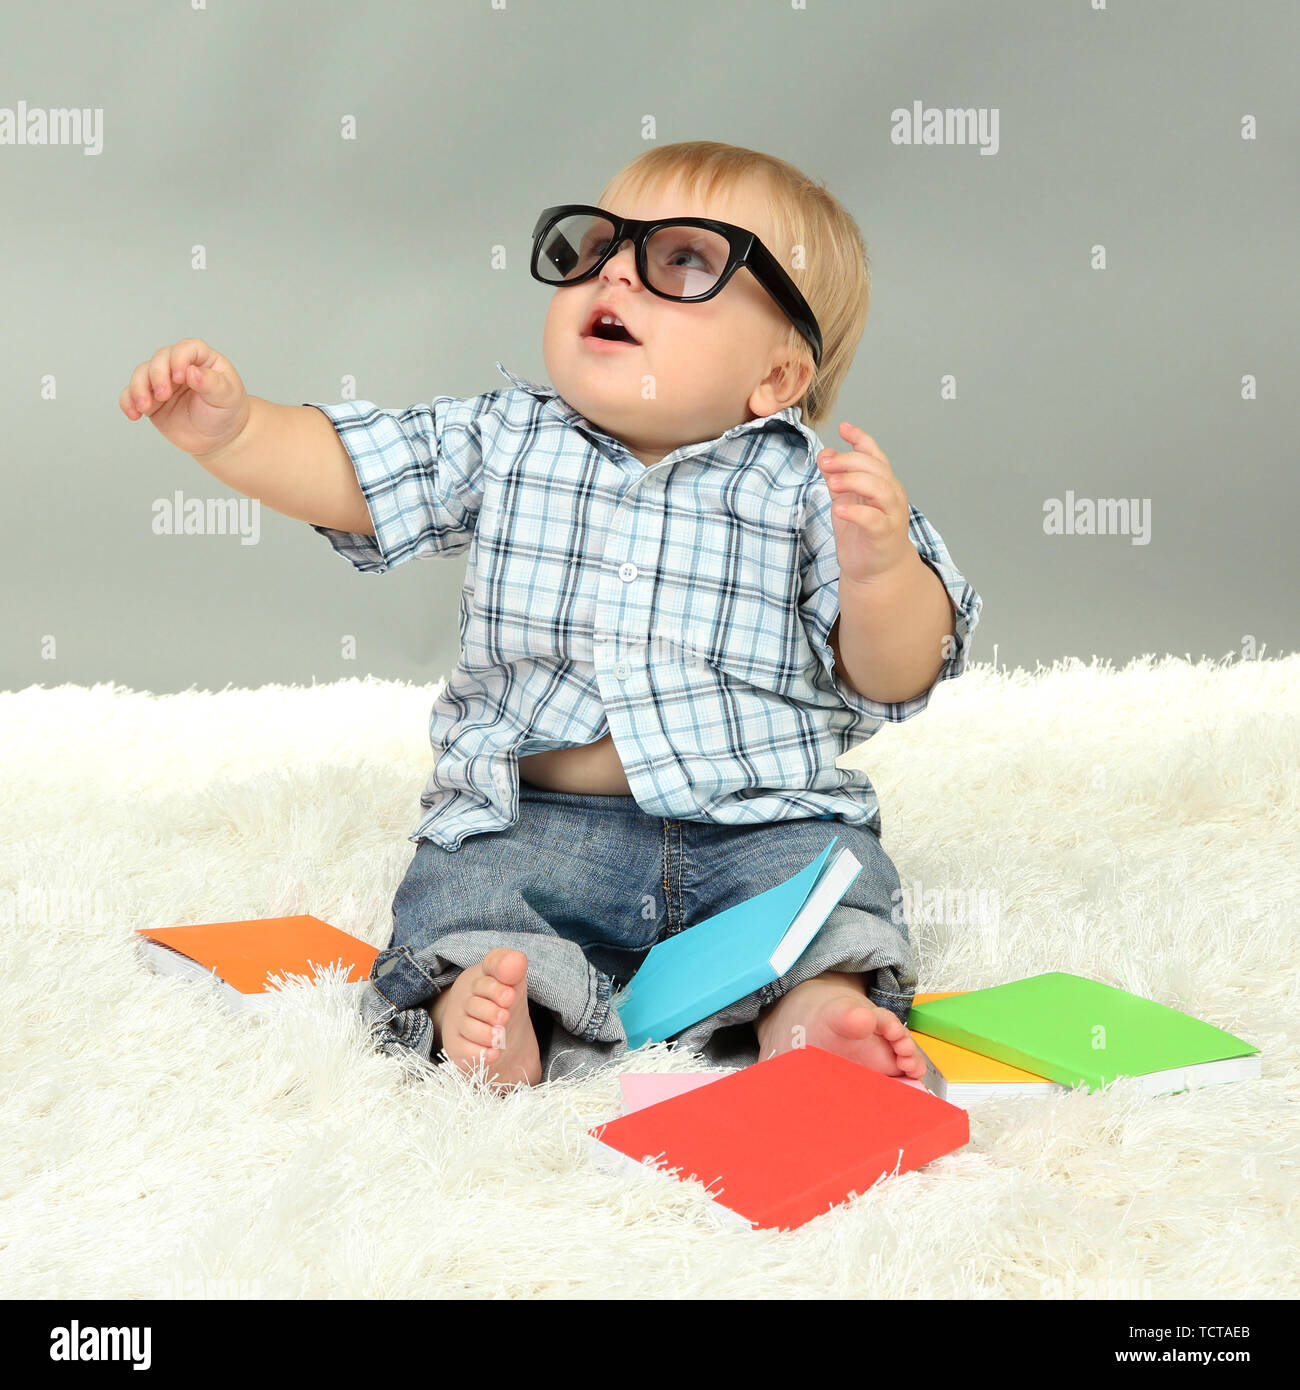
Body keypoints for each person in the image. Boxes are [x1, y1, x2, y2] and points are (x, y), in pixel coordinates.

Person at [119, 141, 982, 1089]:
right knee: (466, 887)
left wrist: (881, 573)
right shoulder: (506, 437)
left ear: (777, 376)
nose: (612, 269)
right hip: (538, 824)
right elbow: (356, 475)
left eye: (683, 259)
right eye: (595, 248)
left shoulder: (812, 490)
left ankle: (816, 1009)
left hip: (757, 819)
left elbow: (898, 673)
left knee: (833, 884)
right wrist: (239, 432)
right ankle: (490, 1005)